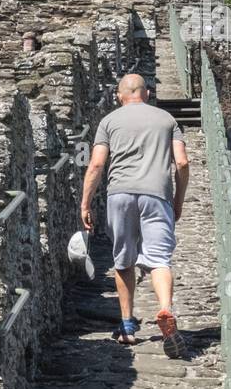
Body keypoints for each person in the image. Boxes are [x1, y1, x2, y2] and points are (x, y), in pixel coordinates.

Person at [81, 73, 190, 357]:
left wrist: (85, 203)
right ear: (147, 93)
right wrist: (177, 200)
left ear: (120, 95)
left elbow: (96, 165)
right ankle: (165, 308)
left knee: (124, 261)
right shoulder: (167, 120)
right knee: (159, 260)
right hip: (157, 194)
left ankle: (127, 327)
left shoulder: (109, 121)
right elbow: (181, 161)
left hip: (120, 194)